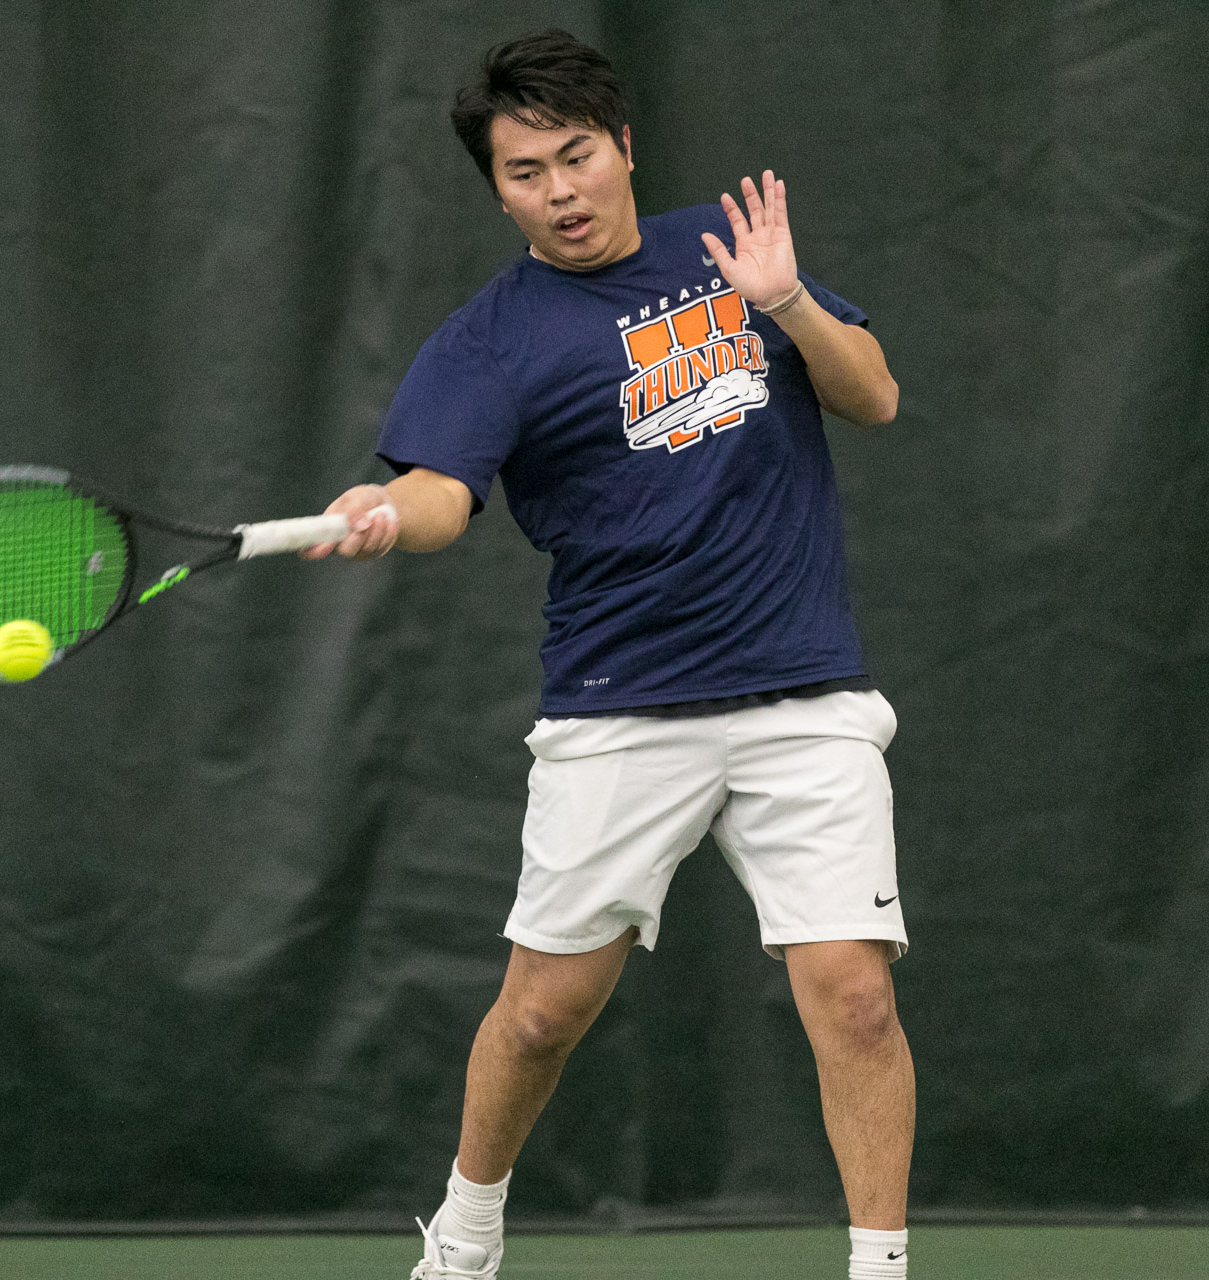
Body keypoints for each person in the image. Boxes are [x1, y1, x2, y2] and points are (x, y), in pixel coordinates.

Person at [305, 29, 914, 1280]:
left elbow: (874, 395)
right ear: (498, 191)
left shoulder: (729, 251)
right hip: (620, 704)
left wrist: (786, 302)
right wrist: (384, 515)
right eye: (524, 172)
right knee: (541, 1012)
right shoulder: (490, 340)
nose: (559, 191)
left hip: (804, 688)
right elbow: (438, 491)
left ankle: (881, 1267)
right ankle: (465, 1237)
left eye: (575, 156)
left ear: (624, 146)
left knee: (854, 994)